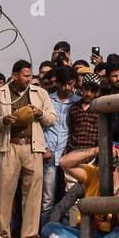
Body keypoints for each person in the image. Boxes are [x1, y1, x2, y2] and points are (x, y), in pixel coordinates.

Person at [0, 60, 56, 238]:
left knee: (33, 195)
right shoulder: (0, 95)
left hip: (33, 147)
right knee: (5, 193)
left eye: (30, 75)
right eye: (25, 75)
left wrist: (40, 113)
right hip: (10, 145)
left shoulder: (40, 93)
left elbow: (52, 119)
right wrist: (3, 120)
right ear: (15, 75)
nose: (28, 79)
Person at [42, 65, 77, 218]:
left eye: (71, 83)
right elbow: (41, 126)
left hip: (68, 154)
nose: (68, 87)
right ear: (58, 83)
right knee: (47, 198)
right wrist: (43, 147)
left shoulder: (78, 102)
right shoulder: (48, 100)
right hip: (49, 153)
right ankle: (45, 234)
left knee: (68, 196)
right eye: (65, 84)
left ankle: (64, 233)